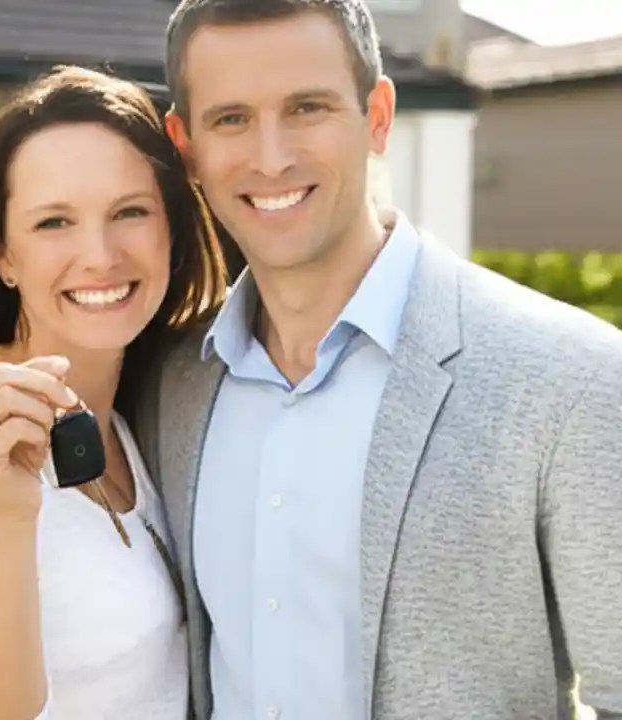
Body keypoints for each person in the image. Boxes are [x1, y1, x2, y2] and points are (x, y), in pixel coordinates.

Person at [136, 1, 622, 719]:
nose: (271, 157)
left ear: (378, 116)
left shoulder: (571, 380)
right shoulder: (167, 386)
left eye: (307, 108)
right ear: (187, 147)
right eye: (231, 118)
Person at [0, 65, 225, 719]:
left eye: (130, 212)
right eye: (54, 223)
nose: (100, 255)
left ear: (172, 232)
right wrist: (11, 516)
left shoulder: (138, 417)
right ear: (4, 256)